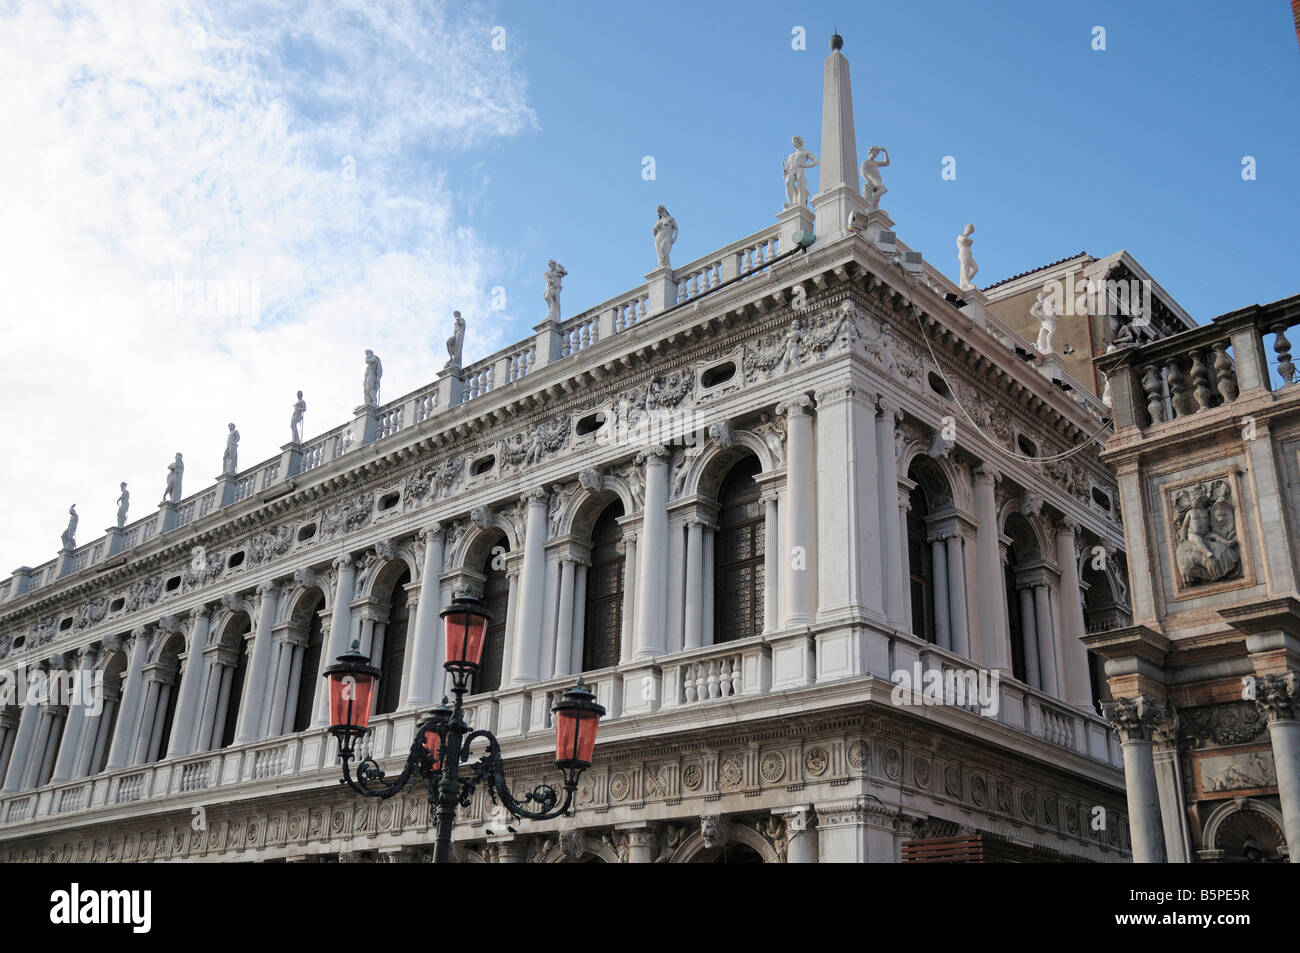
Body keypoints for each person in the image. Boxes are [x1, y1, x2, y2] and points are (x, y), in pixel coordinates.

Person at [783, 135, 818, 208]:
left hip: (800, 169)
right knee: (788, 183)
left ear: (799, 141)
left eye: (794, 141)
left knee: (800, 186)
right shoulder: (790, 155)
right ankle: (791, 202)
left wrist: (805, 166)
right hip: (791, 171)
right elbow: (788, 167)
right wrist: (785, 172)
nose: (793, 143)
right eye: (793, 142)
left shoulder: (805, 152)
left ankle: (801, 201)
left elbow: (816, 161)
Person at [860, 145, 890, 211]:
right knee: (884, 189)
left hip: (878, 180)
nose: (875, 154)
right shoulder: (866, 162)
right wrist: (868, 180)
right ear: (870, 152)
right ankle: (871, 202)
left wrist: (885, 152)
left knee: (877, 201)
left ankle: (873, 208)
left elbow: (887, 163)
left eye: (877, 153)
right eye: (874, 152)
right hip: (873, 180)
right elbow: (862, 172)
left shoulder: (875, 163)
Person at [653, 206, 678, 270]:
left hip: (667, 237)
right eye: (658, 212)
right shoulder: (658, 221)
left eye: (659, 211)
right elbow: (654, 231)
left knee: (663, 249)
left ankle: (667, 265)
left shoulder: (670, 218)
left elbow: (676, 228)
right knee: (659, 253)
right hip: (658, 237)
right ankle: (660, 266)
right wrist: (655, 229)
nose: (659, 213)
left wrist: (675, 237)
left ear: (663, 210)